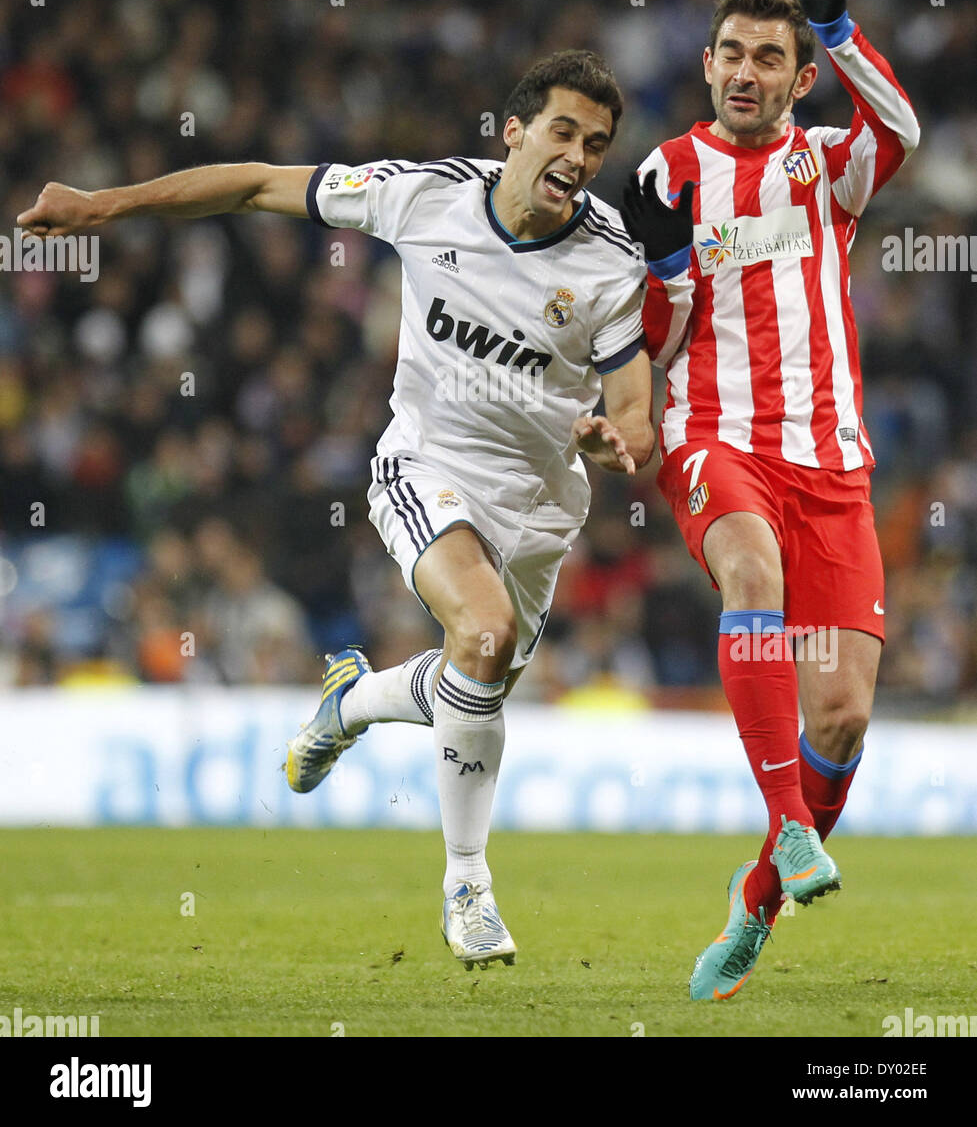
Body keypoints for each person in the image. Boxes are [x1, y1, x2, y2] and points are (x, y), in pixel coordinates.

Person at [19, 49, 678, 972]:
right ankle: (467, 887)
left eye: (597, 143)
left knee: (474, 676)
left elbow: (636, 415)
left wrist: (619, 441)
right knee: (480, 635)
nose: (577, 154)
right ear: (514, 133)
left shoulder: (611, 260)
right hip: (425, 464)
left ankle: (353, 702)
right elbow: (253, 185)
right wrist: (105, 204)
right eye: (562, 131)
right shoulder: (426, 193)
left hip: (540, 506)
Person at [621, 0, 920, 1000]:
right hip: (715, 440)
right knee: (750, 577)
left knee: (840, 712)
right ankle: (791, 827)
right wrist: (657, 268)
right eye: (728, 54)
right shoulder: (663, 173)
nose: (744, 73)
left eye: (767, 57)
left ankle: (753, 903)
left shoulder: (825, 165)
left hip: (830, 462)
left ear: (797, 79)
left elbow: (902, 126)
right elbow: (650, 339)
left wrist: (838, 27)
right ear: (704, 64)